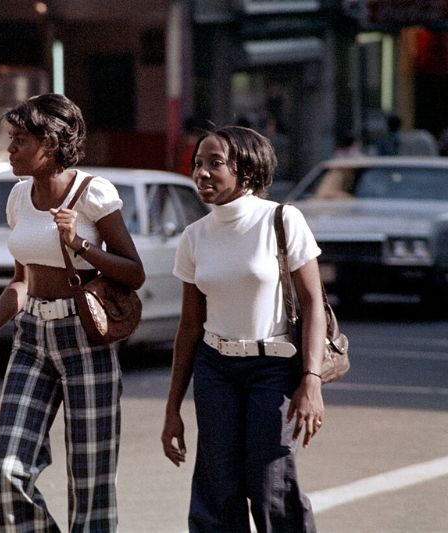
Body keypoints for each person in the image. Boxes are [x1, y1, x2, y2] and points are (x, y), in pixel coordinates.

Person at [0, 93, 145, 532]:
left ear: (53, 143)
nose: (10, 149)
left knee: (91, 481)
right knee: (6, 467)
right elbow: (22, 281)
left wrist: (80, 245)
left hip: (86, 339)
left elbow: (134, 272)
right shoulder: (19, 199)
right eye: (11, 139)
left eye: (21, 140)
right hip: (31, 340)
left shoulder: (92, 194)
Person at [161, 125, 325, 532]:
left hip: (273, 369)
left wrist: (312, 380)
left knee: (270, 482)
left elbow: (313, 303)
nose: (202, 173)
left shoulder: (283, 220)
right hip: (215, 368)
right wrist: (172, 409)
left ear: (247, 172)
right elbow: (189, 326)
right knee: (219, 487)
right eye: (198, 163)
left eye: (215, 163)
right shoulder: (194, 237)